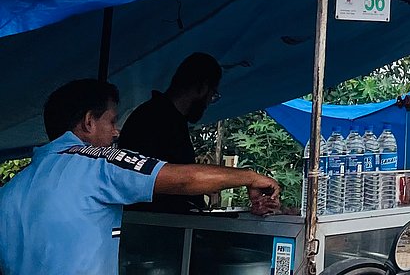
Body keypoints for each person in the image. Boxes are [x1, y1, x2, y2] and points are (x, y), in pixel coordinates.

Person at [0, 78, 280, 275]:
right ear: (88, 121)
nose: (116, 132)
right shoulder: (96, 162)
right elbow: (181, 179)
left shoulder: (11, 189)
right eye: (111, 121)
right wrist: (249, 176)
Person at [119, 52, 223, 212]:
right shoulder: (155, 119)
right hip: (151, 225)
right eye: (212, 95)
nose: (209, 102)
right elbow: (149, 179)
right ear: (202, 88)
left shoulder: (165, 117)